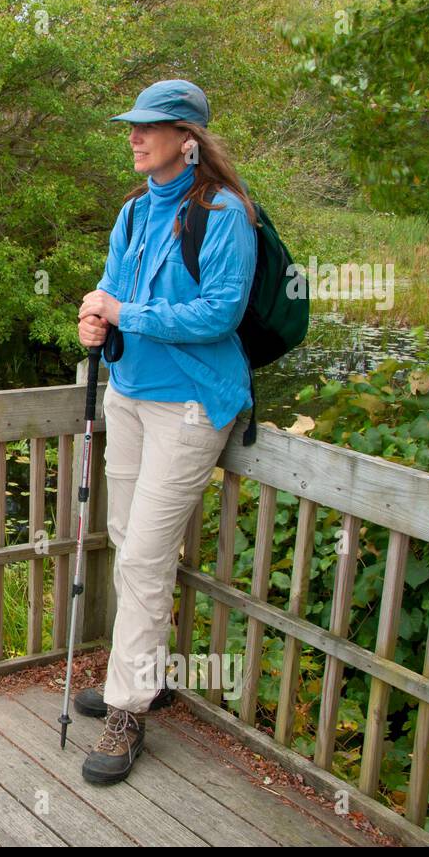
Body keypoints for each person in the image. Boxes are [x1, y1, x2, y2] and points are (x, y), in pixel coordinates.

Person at [75, 79, 257, 785]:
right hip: (128, 396)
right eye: (131, 126)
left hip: (190, 406)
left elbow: (219, 313)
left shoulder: (224, 214)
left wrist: (126, 312)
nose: (134, 136)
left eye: (150, 127)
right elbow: (111, 287)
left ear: (189, 139)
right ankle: (146, 675)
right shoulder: (132, 212)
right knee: (128, 541)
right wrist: (94, 316)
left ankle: (127, 713)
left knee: (145, 558)